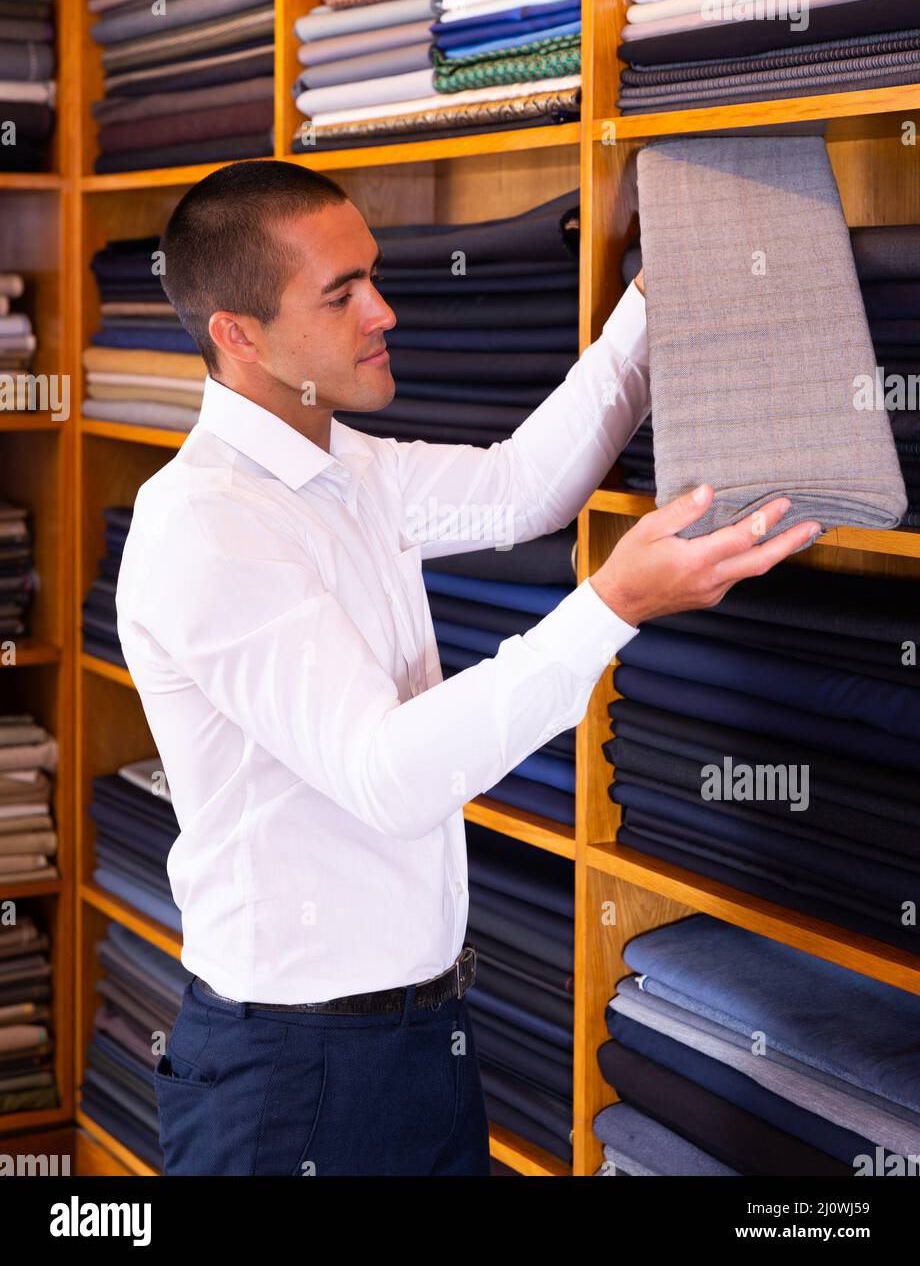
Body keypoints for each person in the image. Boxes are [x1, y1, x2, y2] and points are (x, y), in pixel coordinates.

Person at [115, 160, 821, 1176]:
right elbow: (384, 774)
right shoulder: (205, 525)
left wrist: (659, 286)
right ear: (238, 333)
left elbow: (522, 488)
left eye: (373, 275)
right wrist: (610, 604)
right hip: (289, 1073)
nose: (383, 310)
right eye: (341, 292)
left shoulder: (350, 469)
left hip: (424, 1037)